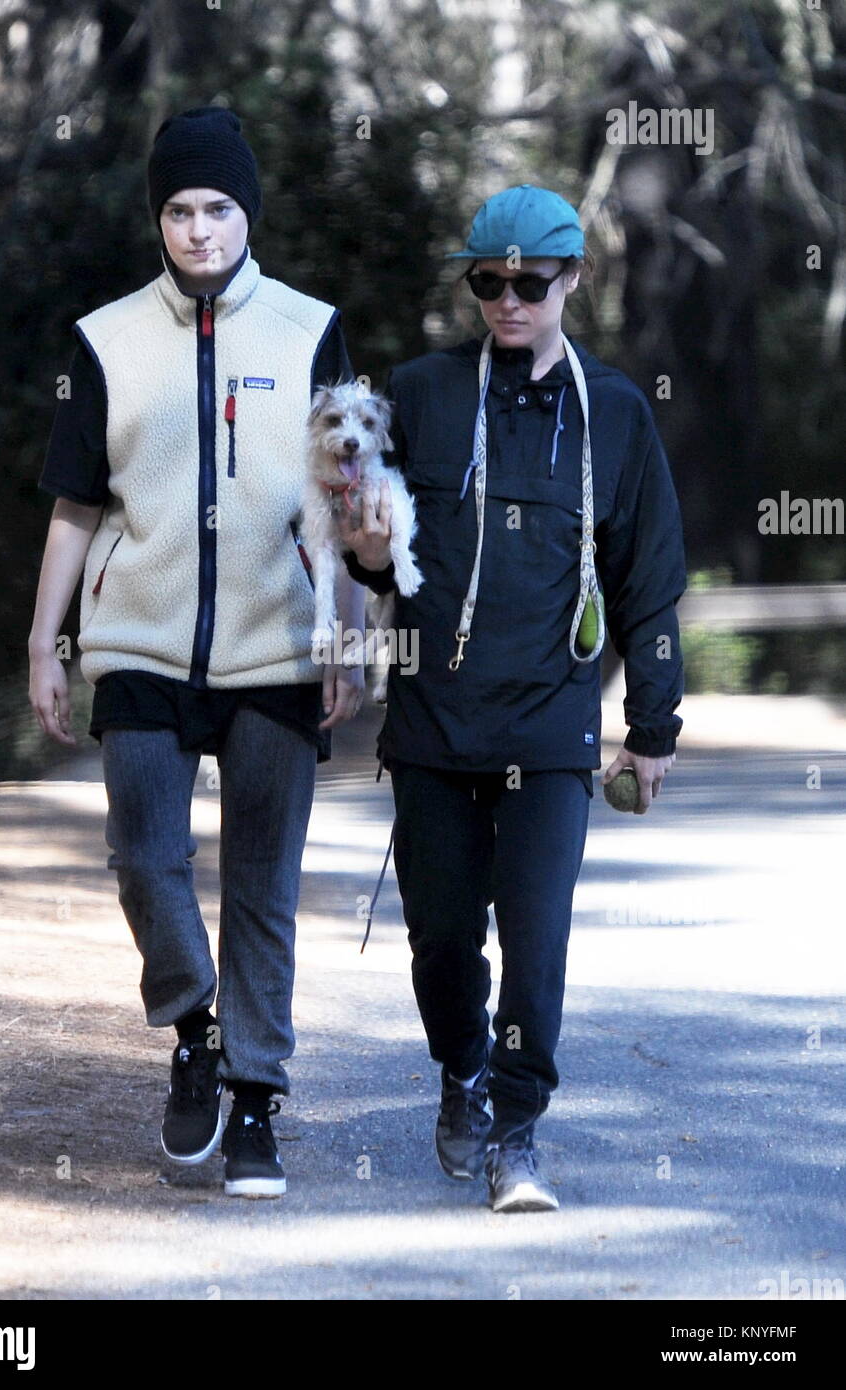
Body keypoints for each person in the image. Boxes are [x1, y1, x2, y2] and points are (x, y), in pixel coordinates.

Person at [28, 106, 363, 1199]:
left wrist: (348, 626)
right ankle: (193, 1032)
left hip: (276, 646)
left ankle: (256, 1100)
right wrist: (47, 639)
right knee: (142, 861)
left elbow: (339, 493)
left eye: (217, 207)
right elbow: (77, 507)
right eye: (178, 210)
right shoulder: (105, 339)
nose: (199, 229)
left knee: (262, 885)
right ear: (157, 220)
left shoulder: (311, 329)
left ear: (247, 213)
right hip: (139, 645)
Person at [340, 185, 686, 1213]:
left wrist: (651, 725)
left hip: (549, 726)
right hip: (434, 722)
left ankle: (515, 1131)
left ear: (571, 277)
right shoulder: (421, 391)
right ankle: (460, 1068)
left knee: (535, 939)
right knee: (442, 939)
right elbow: (376, 556)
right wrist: (361, 553)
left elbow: (649, 579)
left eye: (526, 283)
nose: (505, 301)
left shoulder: (613, 413)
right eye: (484, 282)